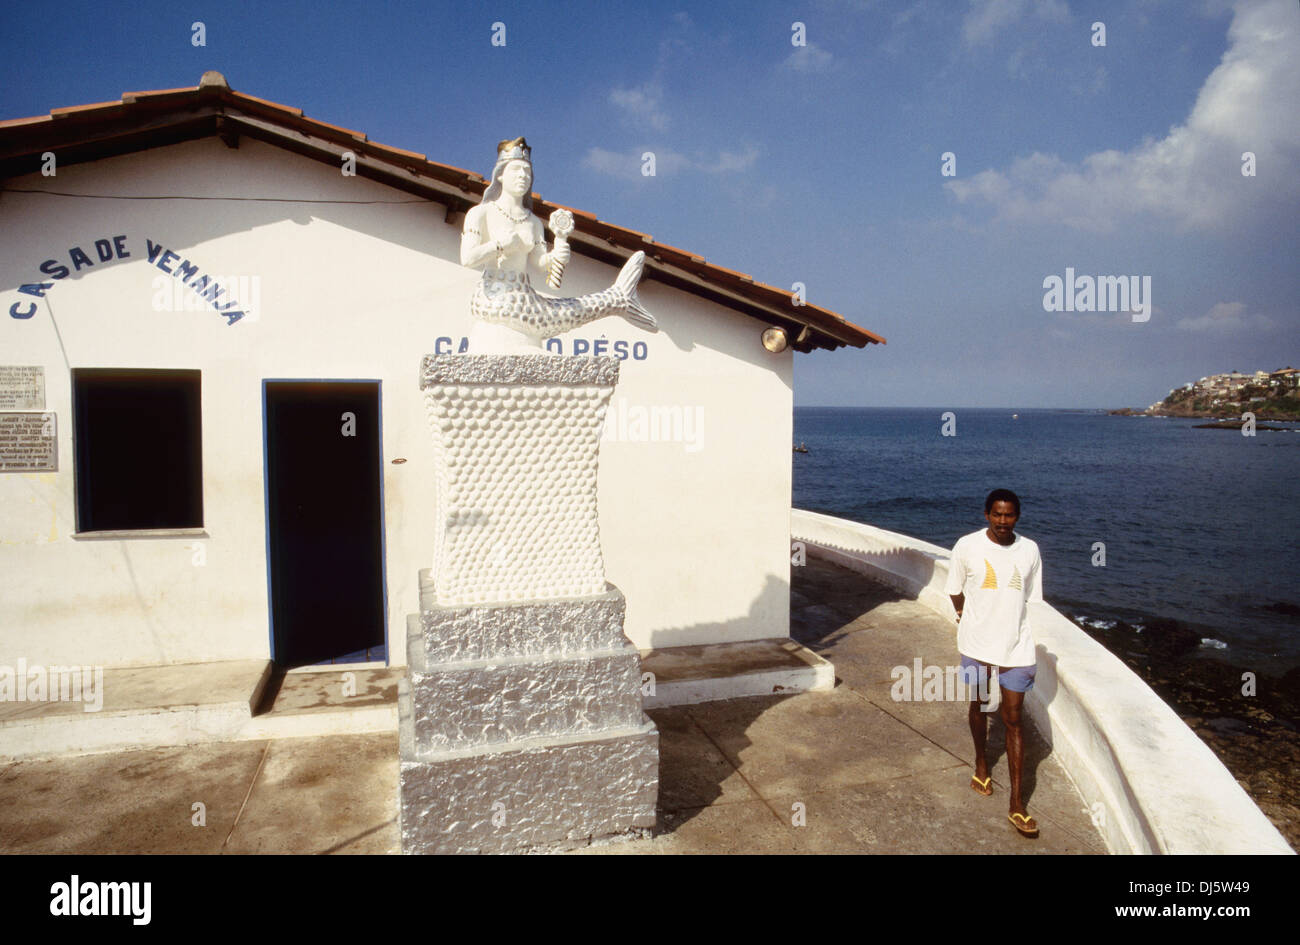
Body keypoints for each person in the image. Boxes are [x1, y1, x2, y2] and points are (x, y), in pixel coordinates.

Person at [945, 488, 1043, 838]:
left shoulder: (1029, 550)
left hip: (1017, 647)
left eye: (1010, 515)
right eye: (997, 514)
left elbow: (1030, 597)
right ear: (986, 514)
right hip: (976, 643)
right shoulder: (967, 546)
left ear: (1017, 516)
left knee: (1013, 718)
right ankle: (981, 762)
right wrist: (964, 615)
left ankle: (1017, 804)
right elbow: (954, 590)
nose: (1003, 521)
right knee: (980, 705)